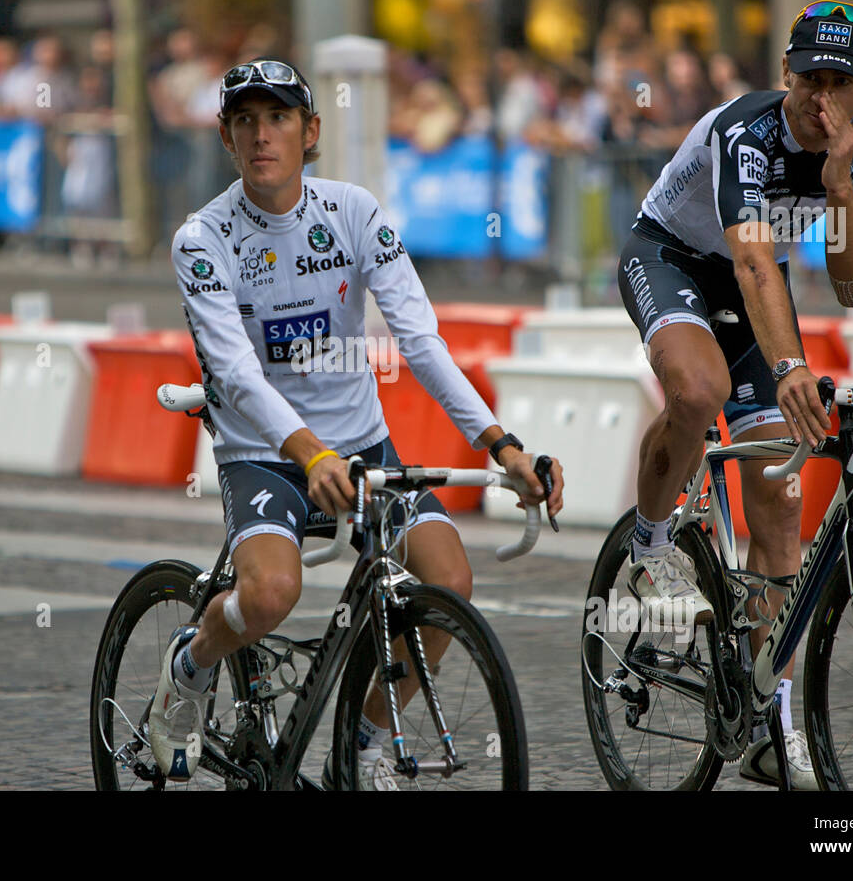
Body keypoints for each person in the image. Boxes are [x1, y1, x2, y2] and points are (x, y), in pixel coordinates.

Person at [155, 58, 564, 786]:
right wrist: (310, 455)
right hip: (266, 453)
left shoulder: (354, 212)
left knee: (450, 580)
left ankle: (368, 742)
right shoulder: (202, 238)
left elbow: (421, 343)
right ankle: (189, 664)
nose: (261, 135)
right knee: (271, 594)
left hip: (363, 449)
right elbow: (237, 375)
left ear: (310, 131)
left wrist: (502, 444)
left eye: (277, 118)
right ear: (225, 136)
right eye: (244, 121)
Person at [615, 0, 853, 789]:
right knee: (699, 391)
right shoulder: (747, 130)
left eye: (840, 82)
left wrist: (839, 186)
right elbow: (749, 264)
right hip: (675, 258)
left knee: (777, 494)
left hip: (752, 290)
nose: (820, 97)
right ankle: (650, 540)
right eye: (808, 78)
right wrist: (790, 364)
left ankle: (771, 720)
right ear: (784, 74)